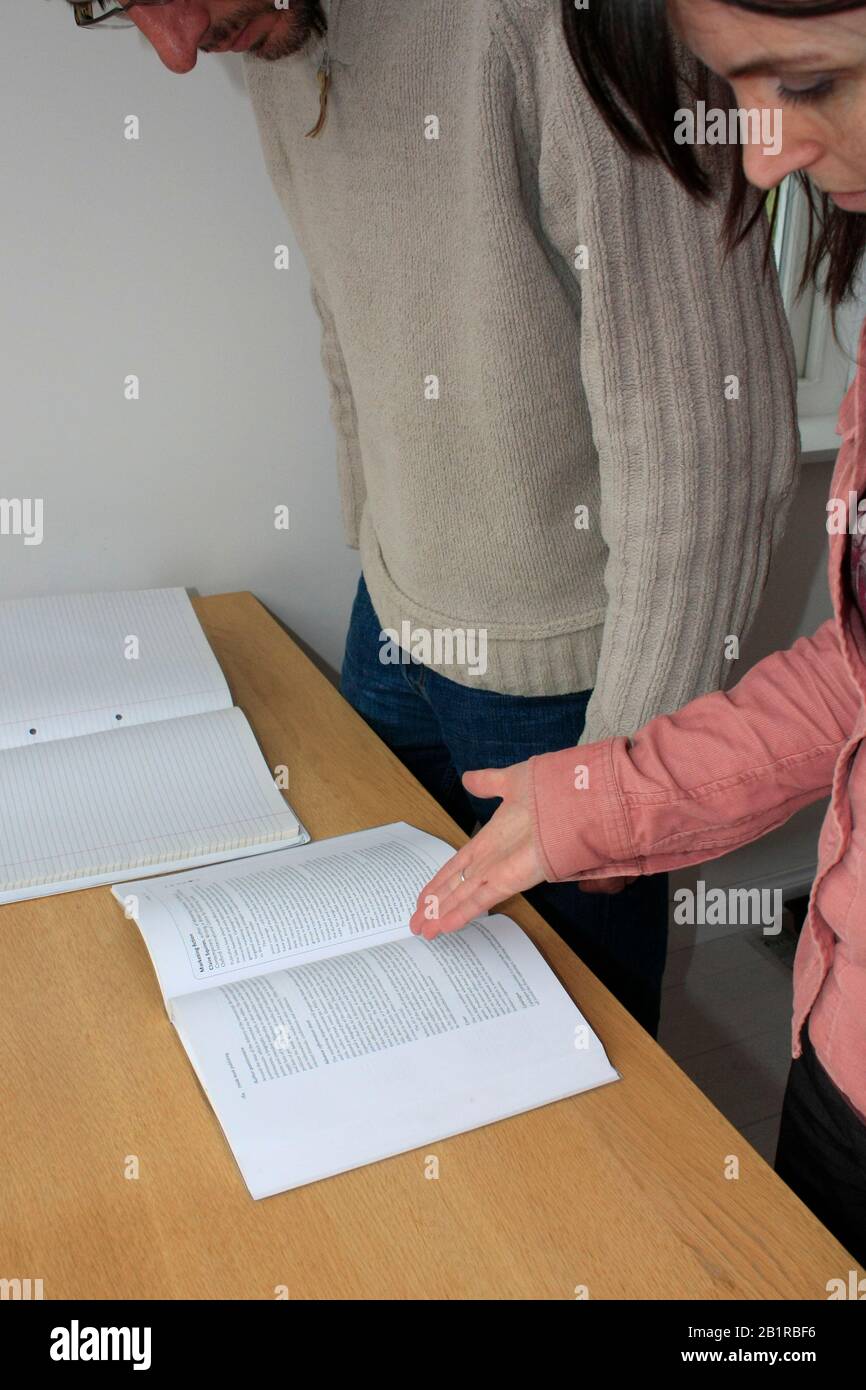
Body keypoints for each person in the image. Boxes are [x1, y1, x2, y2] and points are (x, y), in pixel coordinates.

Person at [67, 0, 798, 1039]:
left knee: (571, 1065)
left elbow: (707, 437)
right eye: (117, 8)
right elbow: (346, 313)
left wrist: (623, 768)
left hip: (562, 681)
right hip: (393, 611)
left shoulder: (546, 23)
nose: (176, 53)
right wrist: (370, 530)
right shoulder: (267, 32)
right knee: (382, 1007)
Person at [410, 0, 866, 1265]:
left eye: (807, 81)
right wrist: (601, 803)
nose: (761, 157)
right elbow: (856, 671)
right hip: (835, 1041)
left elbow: (706, 468)